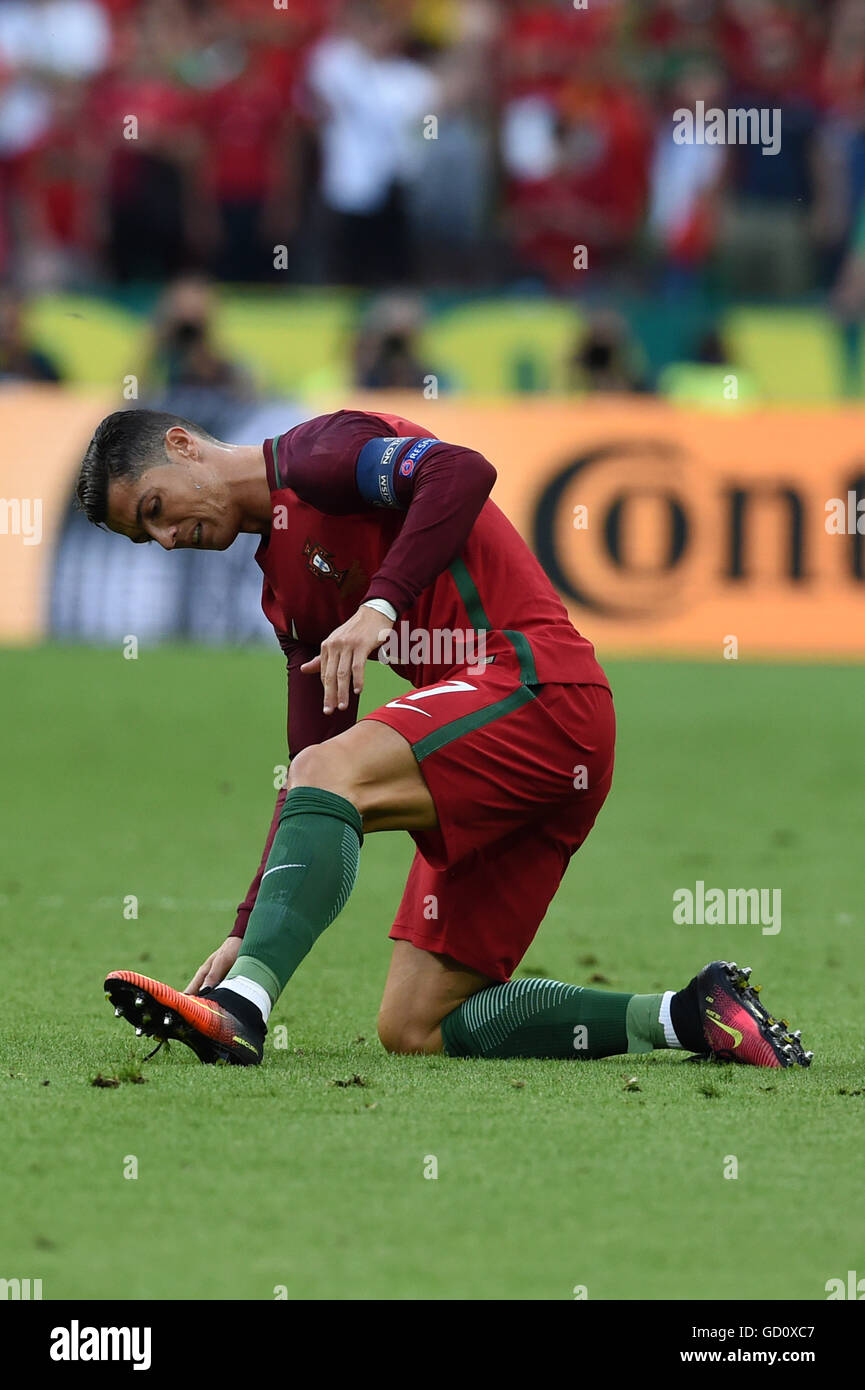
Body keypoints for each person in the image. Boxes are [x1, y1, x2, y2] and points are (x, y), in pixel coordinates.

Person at [75, 407, 811, 1071]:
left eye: (156, 509)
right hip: (525, 746)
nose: (168, 540)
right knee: (417, 1023)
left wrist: (380, 607)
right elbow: (310, 770)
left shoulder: (316, 457)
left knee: (332, 776)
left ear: (183, 447)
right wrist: (248, 930)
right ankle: (693, 1016)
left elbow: (461, 469)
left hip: (537, 686)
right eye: (149, 536)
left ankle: (240, 1013)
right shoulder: (286, 595)